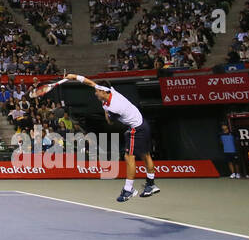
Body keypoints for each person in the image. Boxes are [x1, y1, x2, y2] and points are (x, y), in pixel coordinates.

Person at [33, 72, 158, 202]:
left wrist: (105, 108)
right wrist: (74, 77)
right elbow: (88, 82)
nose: (95, 93)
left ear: (104, 92)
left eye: (97, 92)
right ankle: (151, 184)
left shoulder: (114, 106)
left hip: (136, 129)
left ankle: (129, 189)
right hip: (143, 123)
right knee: (145, 154)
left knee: (129, 156)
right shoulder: (109, 91)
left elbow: (110, 122)